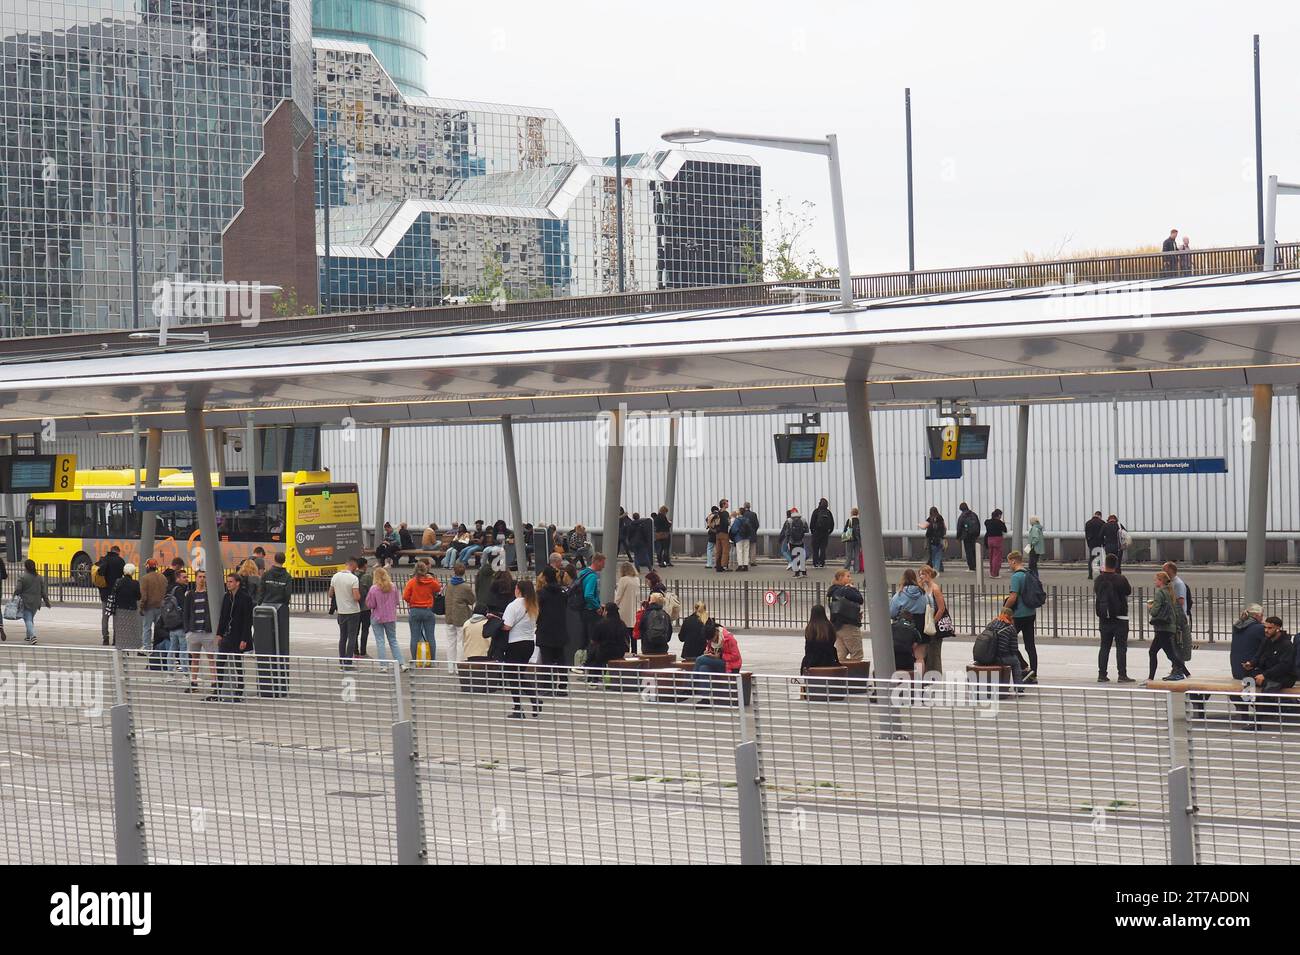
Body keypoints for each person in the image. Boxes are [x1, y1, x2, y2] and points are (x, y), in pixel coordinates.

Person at [502, 580, 541, 719]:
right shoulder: (533, 606)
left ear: (518, 590)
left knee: (512, 676)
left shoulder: (513, 605)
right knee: (519, 674)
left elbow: (507, 626)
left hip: (515, 643)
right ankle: (534, 700)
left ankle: (519, 708)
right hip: (529, 643)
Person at [1094, 554, 1134, 682]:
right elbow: (1128, 591)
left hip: (1104, 618)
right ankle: (1122, 674)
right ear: (1116, 565)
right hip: (1120, 617)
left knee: (1104, 646)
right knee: (1121, 647)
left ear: (1105, 563)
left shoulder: (1099, 579)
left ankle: (1102, 674)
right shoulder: (1121, 579)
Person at [213, 572, 252, 702]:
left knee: (237, 664)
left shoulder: (245, 598)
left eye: (231, 582)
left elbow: (247, 620)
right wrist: (219, 633)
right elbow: (223, 617)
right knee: (220, 662)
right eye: (227, 581)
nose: (228, 584)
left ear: (237, 583)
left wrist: (244, 639)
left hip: (238, 635)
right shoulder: (227, 597)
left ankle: (239, 691)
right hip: (227, 635)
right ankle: (217, 690)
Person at [1004, 551, 1039, 684]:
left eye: (1009, 562)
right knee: (1030, 645)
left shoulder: (1016, 577)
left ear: (1013, 561)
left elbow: (1013, 597)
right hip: (1031, 613)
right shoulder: (1029, 573)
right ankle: (1033, 674)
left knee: (1008, 642)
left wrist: (1004, 610)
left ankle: (1025, 667)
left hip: (1018, 615)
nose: (1009, 564)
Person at [1147, 570, 1188, 681]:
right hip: (1169, 626)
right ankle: (1186, 673)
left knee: (1156, 652)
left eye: (1156, 579)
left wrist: (1150, 607)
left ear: (1160, 581)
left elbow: (1155, 612)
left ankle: (1151, 678)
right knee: (1169, 653)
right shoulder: (1170, 592)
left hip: (1162, 627)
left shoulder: (1160, 593)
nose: (1154, 582)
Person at [184, 570, 218, 695]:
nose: (202, 579)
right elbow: (186, 613)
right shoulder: (190, 595)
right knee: (194, 658)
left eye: (204, 577)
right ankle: (193, 682)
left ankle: (215, 682)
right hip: (194, 630)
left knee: (211, 657)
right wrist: (187, 630)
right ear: (196, 578)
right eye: (200, 577)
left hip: (207, 631)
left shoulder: (209, 594)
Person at [890, 568, 930, 674]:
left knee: (901, 653)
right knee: (920, 656)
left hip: (903, 627)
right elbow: (930, 607)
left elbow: (892, 612)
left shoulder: (899, 594)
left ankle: (900, 680)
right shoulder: (922, 593)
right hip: (920, 624)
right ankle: (919, 682)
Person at [535, 566, 569, 684]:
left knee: (547, 659)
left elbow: (537, 611)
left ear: (545, 577)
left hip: (545, 630)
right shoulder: (563, 592)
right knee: (561, 657)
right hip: (560, 629)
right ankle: (563, 684)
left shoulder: (541, 594)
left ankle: (548, 684)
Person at [365, 566, 402, 667]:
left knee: (380, 641)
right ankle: (401, 663)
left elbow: (370, 605)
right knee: (393, 640)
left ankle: (383, 665)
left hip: (377, 617)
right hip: (390, 617)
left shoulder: (374, 588)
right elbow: (397, 602)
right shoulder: (393, 586)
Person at [329, 557, 362, 667]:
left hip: (341, 611)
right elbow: (356, 596)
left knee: (342, 637)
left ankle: (341, 661)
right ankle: (348, 662)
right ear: (353, 565)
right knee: (352, 637)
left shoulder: (335, 576)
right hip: (353, 611)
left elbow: (330, 594)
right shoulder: (353, 579)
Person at [827, 569, 865, 663]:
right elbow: (860, 599)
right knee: (857, 653)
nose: (850, 578)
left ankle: (840, 674)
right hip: (849, 625)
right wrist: (852, 588)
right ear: (840, 578)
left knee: (841, 654)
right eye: (847, 576)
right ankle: (855, 675)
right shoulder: (845, 590)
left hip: (837, 626)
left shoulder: (832, 590)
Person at [917, 564, 950, 673]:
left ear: (930, 574)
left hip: (933, 624)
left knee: (934, 652)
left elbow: (941, 608)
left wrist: (933, 622)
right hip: (925, 623)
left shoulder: (935, 588)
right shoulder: (921, 587)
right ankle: (926, 675)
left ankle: (936, 676)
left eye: (924, 574)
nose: (921, 576)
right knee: (924, 651)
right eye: (920, 574)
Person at [257, 551, 293, 650]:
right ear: (284, 561)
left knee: (266, 634)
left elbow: (261, 591)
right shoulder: (287, 577)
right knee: (281, 635)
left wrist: (260, 603)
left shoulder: (266, 574)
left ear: (274, 559)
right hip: (280, 607)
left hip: (266, 607)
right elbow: (287, 594)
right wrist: (284, 604)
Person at [444, 562, 476, 664]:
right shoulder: (465, 587)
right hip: (461, 617)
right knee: (461, 642)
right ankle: (459, 665)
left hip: (449, 616)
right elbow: (472, 600)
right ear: (464, 572)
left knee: (450, 642)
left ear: (454, 571)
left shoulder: (448, 585)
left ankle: (450, 666)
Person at [12, 559, 50, 644]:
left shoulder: (22, 577)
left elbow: (18, 589)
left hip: (26, 601)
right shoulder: (39, 577)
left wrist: (14, 596)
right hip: (36, 602)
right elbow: (43, 591)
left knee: (28, 619)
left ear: (26, 567)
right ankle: (28, 636)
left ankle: (33, 636)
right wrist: (46, 601)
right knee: (30, 618)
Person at [95, 545, 125, 645]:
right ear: (118, 552)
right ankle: (115, 639)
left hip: (105, 593)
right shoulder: (120, 561)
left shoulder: (103, 560)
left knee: (105, 616)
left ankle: (105, 638)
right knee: (116, 617)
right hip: (116, 594)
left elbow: (98, 573)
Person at [587, 602, 630, 670]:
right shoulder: (622, 624)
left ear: (606, 612)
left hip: (604, 653)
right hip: (619, 653)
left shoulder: (601, 624)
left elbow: (593, 640)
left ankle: (593, 676)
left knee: (593, 650)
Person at [110, 563, 143, 650]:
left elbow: (114, 594)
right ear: (133, 572)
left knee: (120, 628)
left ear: (124, 571)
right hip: (131, 609)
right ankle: (131, 646)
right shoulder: (135, 583)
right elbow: (139, 596)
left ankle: (120, 646)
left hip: (119, 608)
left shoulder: (118, 581)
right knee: (131, 628)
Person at [1230, 604, 1267, 680]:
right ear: (1258, 615)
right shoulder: (1259, 628)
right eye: (1262, 615)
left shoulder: (1237, 626)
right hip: (1251, 671)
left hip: (1237, 671)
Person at [139, 559, 167, 655]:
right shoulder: (163, 577)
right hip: (161, 606)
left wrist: (141, 607)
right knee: (159, 628)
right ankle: (158, 646)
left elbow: (144, 596)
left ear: (147, 567)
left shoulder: (145, 578)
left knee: (147, 627)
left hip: (149, 607)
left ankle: (146, 647)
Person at [800, 605, 840, 673]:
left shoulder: (810, 627)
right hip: (828, 659)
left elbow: (808, 648)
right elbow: (833, 641)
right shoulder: (829, 626)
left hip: (812, 661)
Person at [614, 562, 640, 653]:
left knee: (624, 635)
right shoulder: (636, 579)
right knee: (633, 634)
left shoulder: (623, 580)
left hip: (624, 610)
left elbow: (618, 596)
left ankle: (625, 652)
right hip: (633, 609)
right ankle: (634, 652)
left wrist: (614, 605)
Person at [355, 557, 373, 657]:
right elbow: (371, 591)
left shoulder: (353, 575)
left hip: (355, 607)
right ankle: (363, 651)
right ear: (365, 565)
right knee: (365, 630)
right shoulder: (367, 577)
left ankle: (355, 652)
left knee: (355, 631)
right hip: (365, 608)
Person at [809, 498, 835, 569]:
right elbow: (832, 524)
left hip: (816, 533)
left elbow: (812, 523)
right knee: (823, 548)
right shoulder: (828, 512)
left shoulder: (816, 511)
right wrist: (829, 532)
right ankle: (822, 563)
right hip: (825, 533)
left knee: (815, 549)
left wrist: (813, 531)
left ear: (819, 503)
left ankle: (815, 563)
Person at [955, 503, 980, 572]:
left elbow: (959, 527)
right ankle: (976, 565)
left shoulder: (962, 516)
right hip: (974, 535)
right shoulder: (974, 514)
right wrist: (977, 534)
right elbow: (978, 524)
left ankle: (971, 567)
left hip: (966, 536)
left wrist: (958, 538)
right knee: (974, 550)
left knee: (968, 551)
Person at [920, 506, 946, 572]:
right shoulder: (940, 518)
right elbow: (945, 527)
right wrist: (943, 536)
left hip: (931, 540)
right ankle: (937, 569)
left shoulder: (930, 519)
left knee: (933, 556)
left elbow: (924, 527)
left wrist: (918, 525)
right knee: (938, 556)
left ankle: (935, 570)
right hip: (940, 539)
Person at [785, 507, 808, 577]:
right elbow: (807, 530)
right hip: (801, 541)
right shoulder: (803, 520)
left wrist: (787, 541)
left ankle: (797, 573)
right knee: (801, 556)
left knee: (794, 556)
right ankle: (804, 572)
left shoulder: (789, 520)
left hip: (792, 541)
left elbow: (787, 532)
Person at [984, 509, 1007, 578]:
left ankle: (991, 572)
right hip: (997, 540)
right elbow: (1005, 530)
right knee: (997, 557)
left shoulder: (987, 522)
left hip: (989, 540)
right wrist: (1003, 523)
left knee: (991, 556)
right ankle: (995, 573)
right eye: (1000, 515)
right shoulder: (1000, 523)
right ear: (999, 515)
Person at [1084, 510, 1106, 580]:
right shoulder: (1102, 523)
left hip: (1091, 544)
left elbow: (1086, 535)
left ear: (1094, 515)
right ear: (1100, 516)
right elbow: (1103, 534)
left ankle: (1090, 575)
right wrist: (1103, 543)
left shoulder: (1088, 523)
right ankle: (1101, 574)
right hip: (1099, 543)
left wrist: (1088, 544)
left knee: (1091, 559)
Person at [730, 507, 753, 572]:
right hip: (747, 537)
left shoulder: (737, 520)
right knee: (746, 551)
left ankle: (740, 565)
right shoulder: (747, 519)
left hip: (739, 537)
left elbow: (734, 530)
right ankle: (746, 565)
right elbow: (750, 528)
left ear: (739, 512)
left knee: (739, 551)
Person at [712, 503, 731, 573]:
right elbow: (727, 523)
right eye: (726, 503)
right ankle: (724, 566)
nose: (728, 504)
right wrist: (729, 520)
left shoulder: (718, 512)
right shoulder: (725, 513)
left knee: (718, 550)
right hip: (724, 533)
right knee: (725, 550)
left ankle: (718, 566)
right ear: (723, 505)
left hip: (717, 534)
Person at [842, 507, 862, 571]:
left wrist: (844, 537)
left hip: (849, 540)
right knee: (857, 555)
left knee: (849, 555)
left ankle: (846, 568)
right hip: (857, 540)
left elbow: (845, 530)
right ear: (857, 513)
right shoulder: (859, 521)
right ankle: (856, 569)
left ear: (852, 513)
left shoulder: (849, 520)